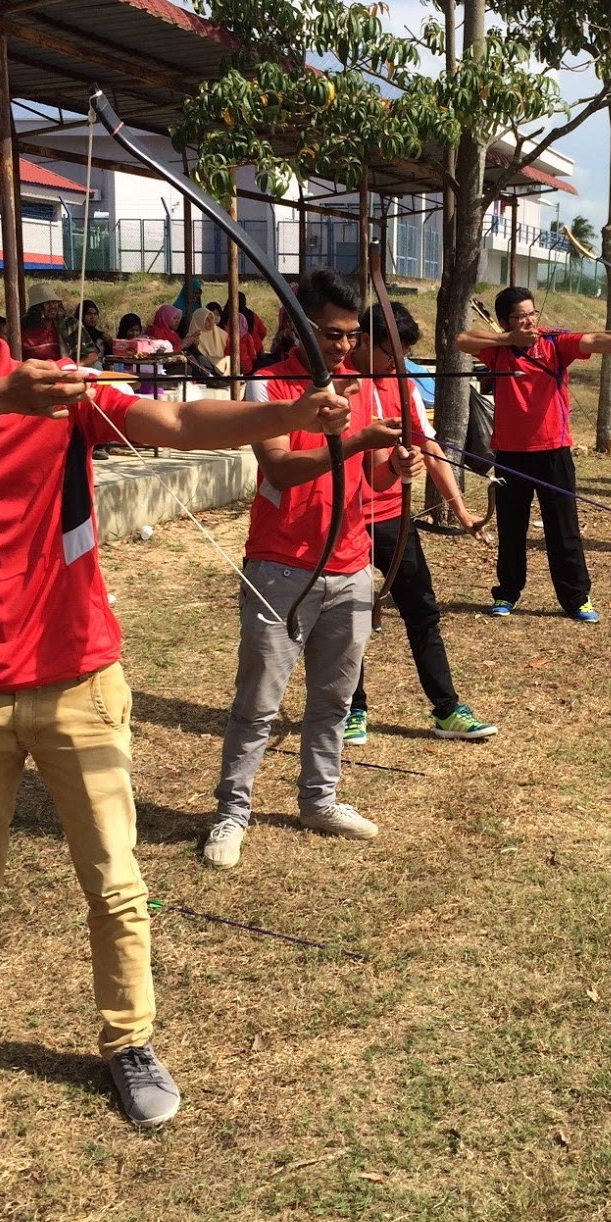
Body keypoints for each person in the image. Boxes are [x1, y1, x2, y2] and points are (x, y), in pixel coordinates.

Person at [0, 232, 348, 1136]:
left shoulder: (58, 392)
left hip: (80, 677)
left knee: (114, 882)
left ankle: (129, 1042)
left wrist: (290, 415)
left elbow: (182, 425)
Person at [205, 267, 418, 870]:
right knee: (259, 703)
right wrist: (351, 441)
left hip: (350, 563)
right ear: (298, 326)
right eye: (330, 333)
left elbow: (370, 480)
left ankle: (319, 798)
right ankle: (232, 811)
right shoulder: (268, 388)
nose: (344, 347)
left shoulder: (363, 387)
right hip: (281, 565)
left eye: (351, 336)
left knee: (334, 699)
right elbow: (280, 470)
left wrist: (395, 467)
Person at [344, 301, 497, 745]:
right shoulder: (338, 383)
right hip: (344, 518)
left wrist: (461, 508)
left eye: (403, 352)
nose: (397, 362)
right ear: (363, 340)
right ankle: (352, 710)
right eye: (390, 351)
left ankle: (447, 710)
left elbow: (429, 448)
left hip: (391, 515)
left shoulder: (402, 381)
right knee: (348, 617)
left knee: (422, 611)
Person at [457, 285, 611, 624]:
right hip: (510, 454)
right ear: (505, 322)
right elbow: (463, 340)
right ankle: (507, 592)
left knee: (563, 529)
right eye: (520, 317)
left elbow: (590, 341)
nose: (530, 321)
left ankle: (576, 598)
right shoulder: (498, 351)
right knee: (511, 527)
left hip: (554, 452)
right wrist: (508, 340)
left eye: (533, 314)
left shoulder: (553, 343)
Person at [20, 282, 63, 362]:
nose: (52, 306)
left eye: (54, 302)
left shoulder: (64, 329)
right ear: (36, 308)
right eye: (47, 303)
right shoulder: (25, 336)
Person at [184, 306, 230, 379]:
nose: (210, 321)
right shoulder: (194, 336)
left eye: (211, 318)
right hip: (205, 366)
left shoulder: (222, 334)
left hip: (220, 362)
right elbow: (198, 358)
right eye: (206, 319)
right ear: (199, 320)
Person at [62, 300, 109, 367]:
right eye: (89, 314)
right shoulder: (74, 333)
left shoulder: (102, 336)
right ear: (81, 315)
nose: (92, 317)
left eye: (95, 314)